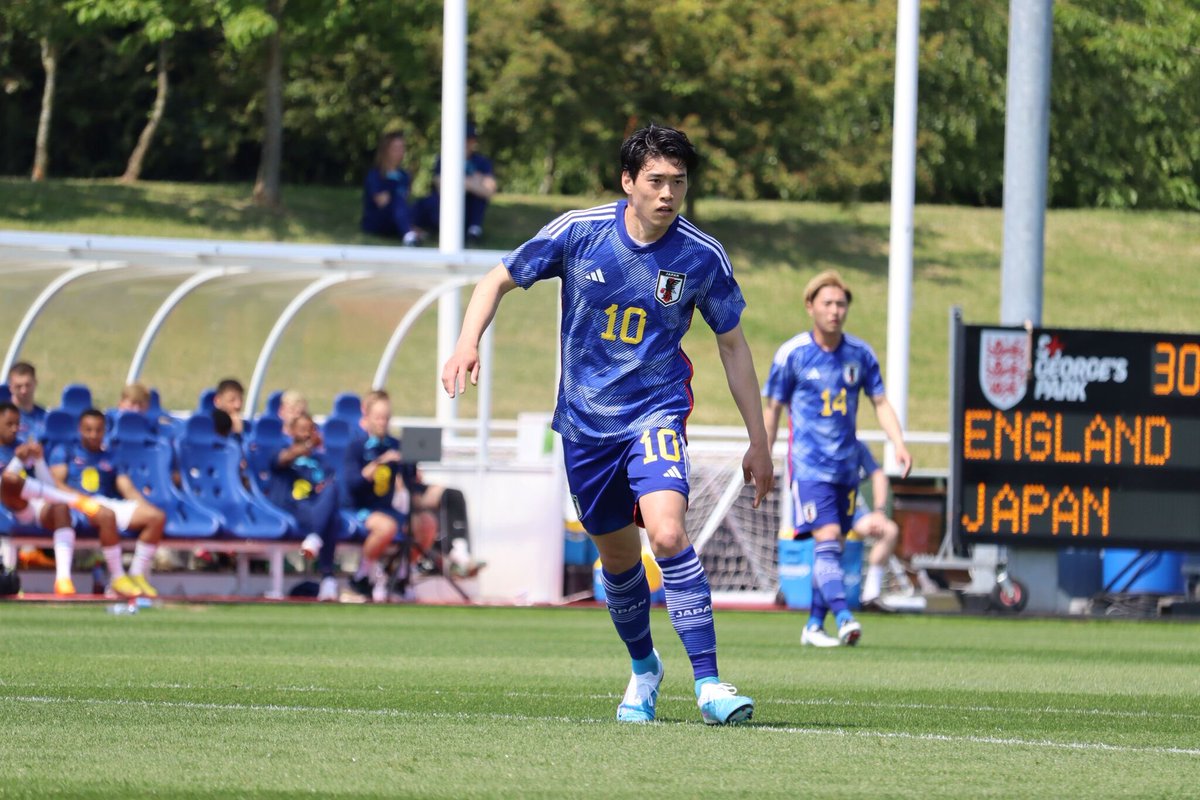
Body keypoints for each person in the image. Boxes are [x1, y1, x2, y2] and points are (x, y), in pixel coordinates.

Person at [442, 124, 772, 726]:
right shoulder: (580, 232)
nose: (669, 194)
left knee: (668, 535)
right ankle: (645, 668)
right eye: (656, 181)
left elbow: (733, 349)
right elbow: (497, 279)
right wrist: (467, 342)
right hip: (586, 427)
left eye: (679, 182)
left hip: (656, 415)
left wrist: (760, 441)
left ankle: (710, 684)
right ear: (628, 182)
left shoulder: (702, 256)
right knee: (619, 565)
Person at [763, 269, 912, 648]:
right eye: (827, 303)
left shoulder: (859, 355)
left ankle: (814, 625)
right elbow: (773, 408)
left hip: (847, 469)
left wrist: (898, 442)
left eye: (841, 304)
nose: (835, 310)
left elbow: (879, 401)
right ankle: (845, 618)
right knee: (827, 540)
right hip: (810, 468)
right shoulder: (793, 354)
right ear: (810, 306)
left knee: (835, 548)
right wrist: (761, 452)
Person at [49, 408, 168, 598]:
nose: (94, 435)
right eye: (89, 430)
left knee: (156, 517)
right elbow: (54, 483)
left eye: (98, 430)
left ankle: (136, 574)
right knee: (106, 514)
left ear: (105, 430)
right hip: (76, 505)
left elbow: (126, 487)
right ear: (80, 429)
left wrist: (143, 505)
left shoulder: (110, 455)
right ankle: (117, 576)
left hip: (104, 502)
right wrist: (80, 500)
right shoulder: (66, 451)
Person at [342, 390, 437, 602]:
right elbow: (352, 485)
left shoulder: (395, 444)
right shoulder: (356, 446)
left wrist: (411, 467)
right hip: (360, 508)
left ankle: (400, 574)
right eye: (378, 417)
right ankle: (361, 577)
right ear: (366, 417)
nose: (383, 423)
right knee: (387, 526)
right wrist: (379, 463)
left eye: (386, 418)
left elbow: (410, 479)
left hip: (388, 509)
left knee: (427, 523)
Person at [0, 401, 80, 595]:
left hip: (30, 506)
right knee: (11, 481)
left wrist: (39, 460)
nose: (14, 429)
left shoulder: (23, 446)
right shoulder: (16, 453)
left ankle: (63, 580)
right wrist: (18, 462)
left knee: (61, 507)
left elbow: (48, 486)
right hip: (6, 507)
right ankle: (77, 501)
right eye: (9, 424)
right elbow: (5, 486)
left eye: (17, 424)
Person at [267, 411, 342, 602]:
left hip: (314, 507)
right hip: (289, 506)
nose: (307, 435)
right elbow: (283, 459)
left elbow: (329, 485)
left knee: (332, 493)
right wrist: (308, 446)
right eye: (302, 430)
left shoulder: (321, 461)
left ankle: (315, 539)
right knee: (329, 520)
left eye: (310, 430)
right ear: (291, 432)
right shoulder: (281, 450)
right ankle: (328, 578)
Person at [413, 122, 497, 243]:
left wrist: (459, 182)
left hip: (469, 207)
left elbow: (489, 190)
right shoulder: (444, 159)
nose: (466, 143)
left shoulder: (481, 161)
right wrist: (473, 181)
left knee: (478, 199)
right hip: (446, 206)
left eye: (469, 140)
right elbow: (441, 186)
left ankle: (474, 231)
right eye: (463, 139)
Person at [849, 440, 902, 609]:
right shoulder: (817, 442)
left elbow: (878, 475)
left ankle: (871, 595)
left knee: (889, 530)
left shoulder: (857, 446)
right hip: (824, 511)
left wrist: (879, 512)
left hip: (851, 512)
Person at [360, 130, 420, 245]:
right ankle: (408, 234)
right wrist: (393, 193)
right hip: (377, 221)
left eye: (402, 148)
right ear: (386, 150)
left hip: (395, 221)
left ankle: (410, 231)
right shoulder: (375, 175)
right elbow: (381, 201)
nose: (400, 152)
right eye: (395, 148)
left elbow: (405, 201)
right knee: (397, 200)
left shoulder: (404, 176)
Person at [7, 361, 47, 442]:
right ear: (10, 387)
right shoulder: (3, 417)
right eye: (18, 386)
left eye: (27, 385)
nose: (24, 391)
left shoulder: (45, 417)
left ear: (35, 383)